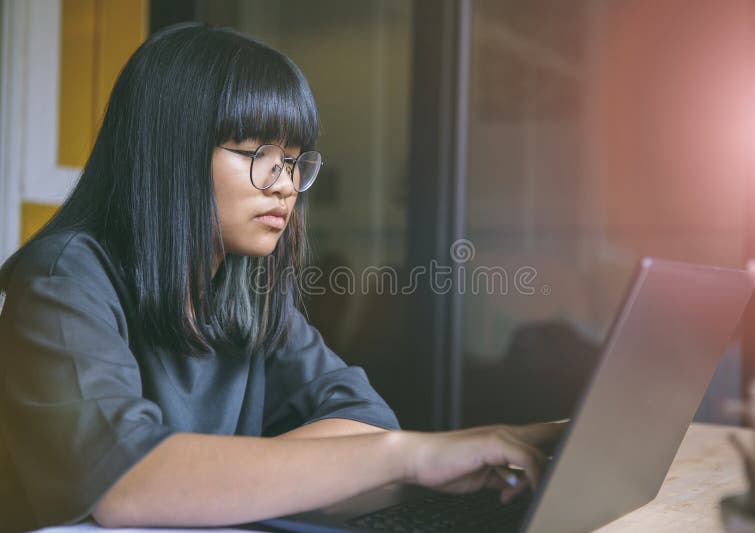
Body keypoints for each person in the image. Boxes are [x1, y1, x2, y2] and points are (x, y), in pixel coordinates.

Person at [0, 23, 562, 530]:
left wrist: (210, 483)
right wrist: (408, 456)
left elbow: (365, 417)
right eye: (254, 151)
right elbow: (127, 485)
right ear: (168, 154)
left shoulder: (249, 289)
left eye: (293, 160)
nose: (284, 183)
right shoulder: (62, 281)